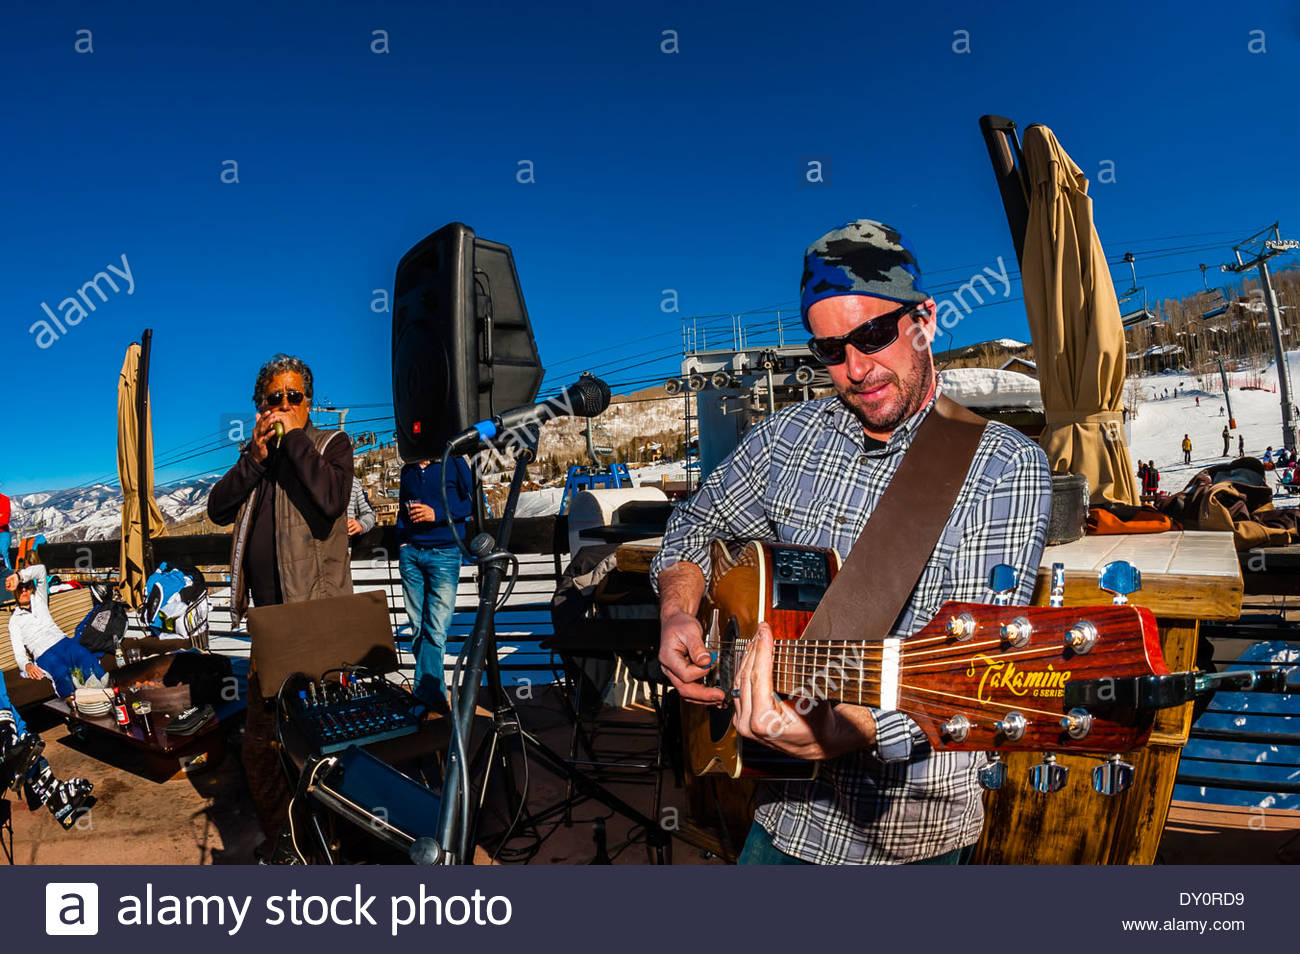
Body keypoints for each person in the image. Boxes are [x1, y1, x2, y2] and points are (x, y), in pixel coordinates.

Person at [653, 219, 1052, 865]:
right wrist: (678, 609)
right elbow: (695, 527)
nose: (856, 368)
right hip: (782, 808)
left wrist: (846, 728)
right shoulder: (786, 438)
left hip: (906, 830)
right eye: (830, 351)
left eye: (872, 335)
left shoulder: (1003, 465)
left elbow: (967, 669)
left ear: (923, 319)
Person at [206, 354, 353, 848]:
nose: (286, 405)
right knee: (262, 749)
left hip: (315, 622)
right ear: (260, 406)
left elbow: (331, 500)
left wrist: (292, 439)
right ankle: (285, 842)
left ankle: (334, 842)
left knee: (322, 741)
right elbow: (216, 508)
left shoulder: (332, 445)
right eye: (276, 398)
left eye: (294, 396)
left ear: (308, 402)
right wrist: (254, 458)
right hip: (268, 629)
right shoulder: (258, 460)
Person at [396, 455, 474, 709]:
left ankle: (423, 696)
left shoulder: (453, 462)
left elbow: (471, 503)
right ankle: (435, 696)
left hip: (444, 554)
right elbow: (401, 508)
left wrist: (437, 514)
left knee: (436, 629)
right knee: (419, 629)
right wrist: (402, 543)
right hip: (412, 555)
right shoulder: (408, 470)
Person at [5, 566, 108, 700]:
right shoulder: (14, 621)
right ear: (15, 592)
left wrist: (19, 577)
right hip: (43, 653)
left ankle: (106, 693)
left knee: (83, 655)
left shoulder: (39, 599)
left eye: (27, 586)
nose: (24, 590)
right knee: (60, 671)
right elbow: (19, 653)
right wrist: (27, 665)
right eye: (20, 587)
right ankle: (73, 705)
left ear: (31, 588)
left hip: (62, 641)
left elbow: (41, 570)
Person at [0, 487, 11, 573]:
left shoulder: (4, 500)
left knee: (3, 552)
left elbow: (4, 521)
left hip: (3, 533)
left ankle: (8, 576)